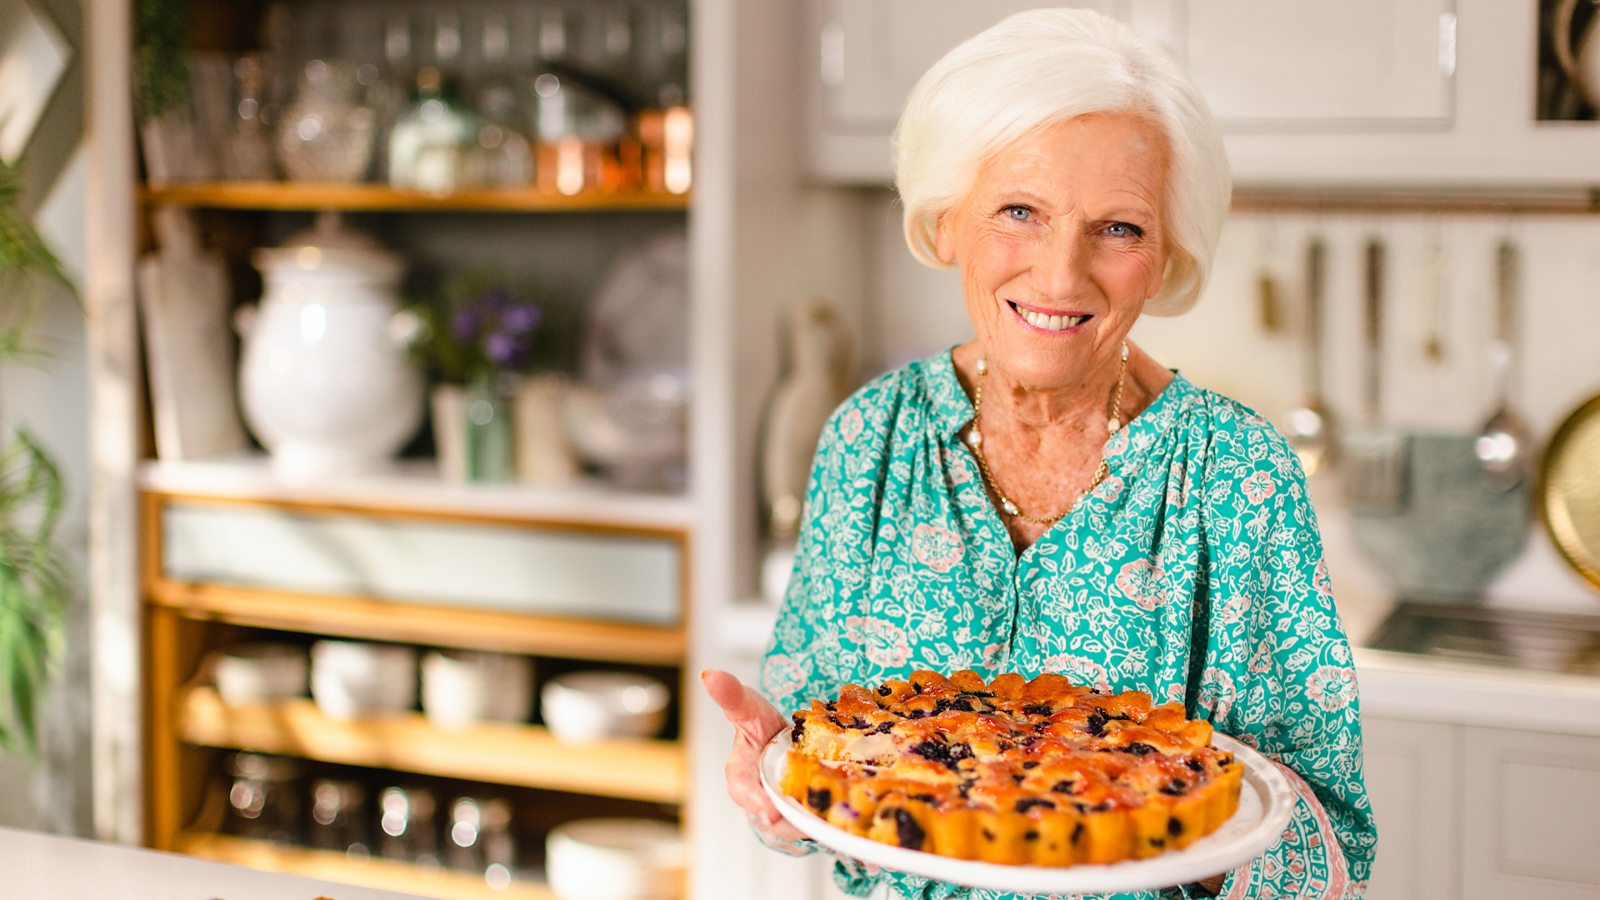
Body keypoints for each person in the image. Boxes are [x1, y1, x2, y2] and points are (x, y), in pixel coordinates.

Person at [702, 8, 1377, 899]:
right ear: (948, 223)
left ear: (1166, 256)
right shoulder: (870, 439)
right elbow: (817, 778)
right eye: (1019, 210)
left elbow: (1334, 856)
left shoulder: (1237, 474)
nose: (1062, 275)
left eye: (1120, 228)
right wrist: (771, 785)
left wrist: (1169, 817)